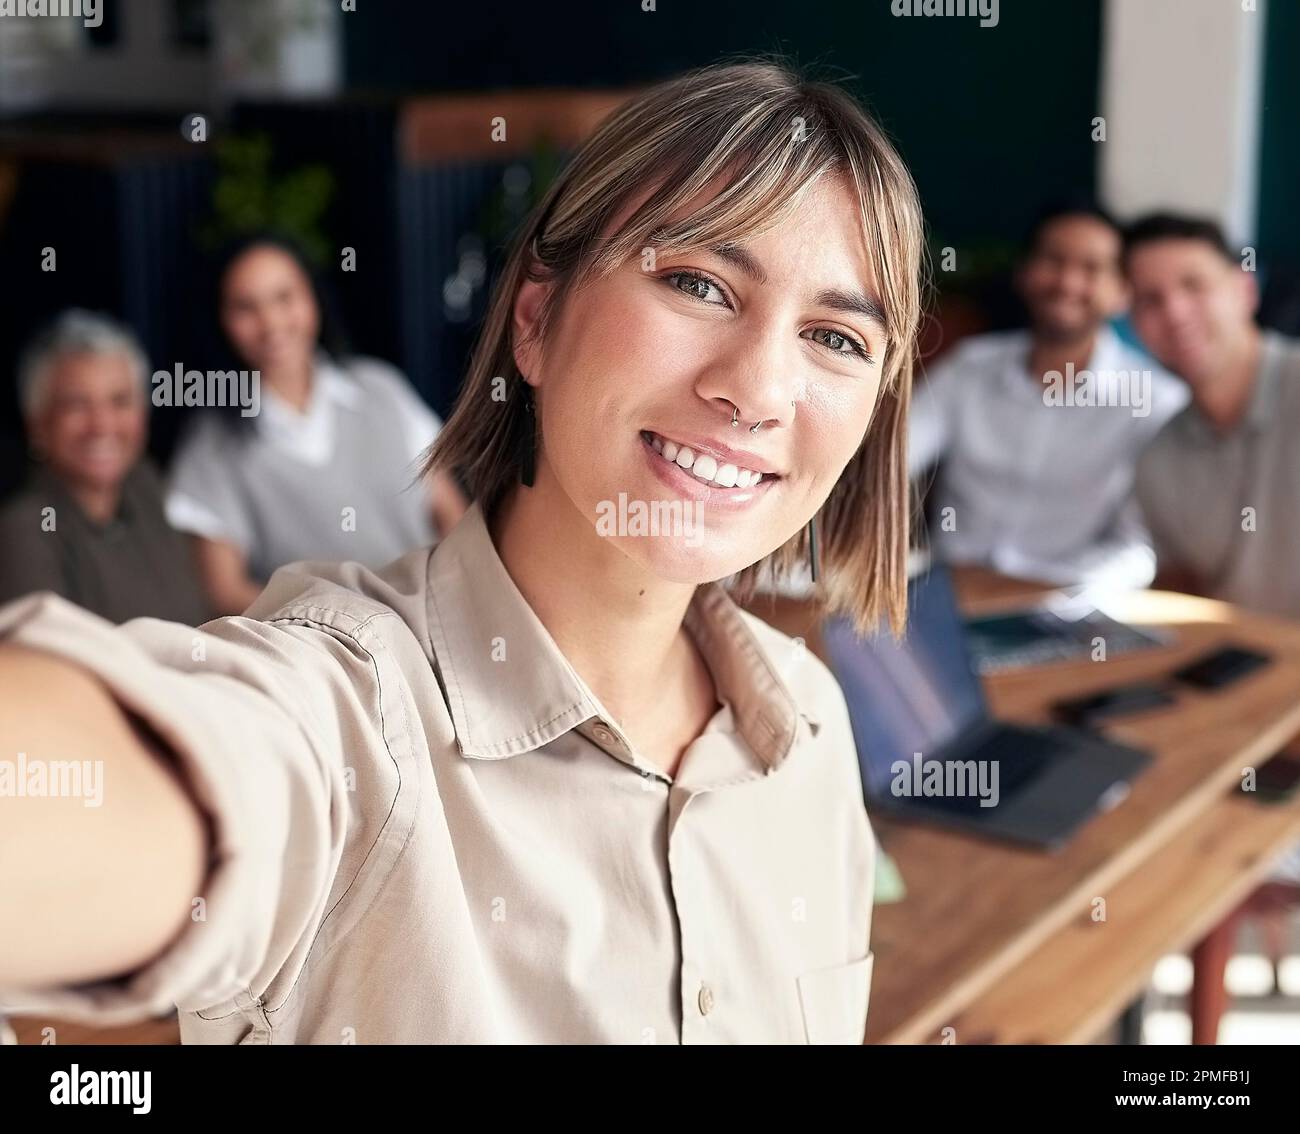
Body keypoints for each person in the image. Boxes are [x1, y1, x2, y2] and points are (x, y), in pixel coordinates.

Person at [0, 59, 923, 1044]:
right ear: (534, 321)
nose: (757, 389)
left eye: (836, 339)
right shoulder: (351, 719)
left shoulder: (809, 728)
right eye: (697, 281)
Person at [165, 234, 468, 615]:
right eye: (246, 307)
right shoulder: (212, 443)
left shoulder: (380, 389)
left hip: (433, 618)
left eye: (284, 297)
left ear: (312, 298)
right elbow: (225, 592)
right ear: (220, 319)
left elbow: (450, 516)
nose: (270, 322)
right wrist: (344, 617)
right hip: (318, 650)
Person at [908, 202, 1187, 589]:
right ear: (1024, 273)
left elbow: (1138, 550)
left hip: (1067, 603)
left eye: (1092, 268)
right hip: (948, 589)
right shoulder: (969, 367)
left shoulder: (1156, 401)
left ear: (1122, 292)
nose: (1068, 282)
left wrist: (1054, 595)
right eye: (1053, 260)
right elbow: (893, 458)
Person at [1126, 213, 1300, 617]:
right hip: (1241, 665)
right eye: (1150, 299)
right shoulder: (1157, 458)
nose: (1174, 312)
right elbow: (1182, 595)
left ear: (1245, 289)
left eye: (1194, 285)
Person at [0, 310, 210, 625]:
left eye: (120, 401)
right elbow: (49, 664)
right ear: (38, 424)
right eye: (76, 404)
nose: (101, 424)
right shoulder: (25, 529)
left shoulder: (147, 486)